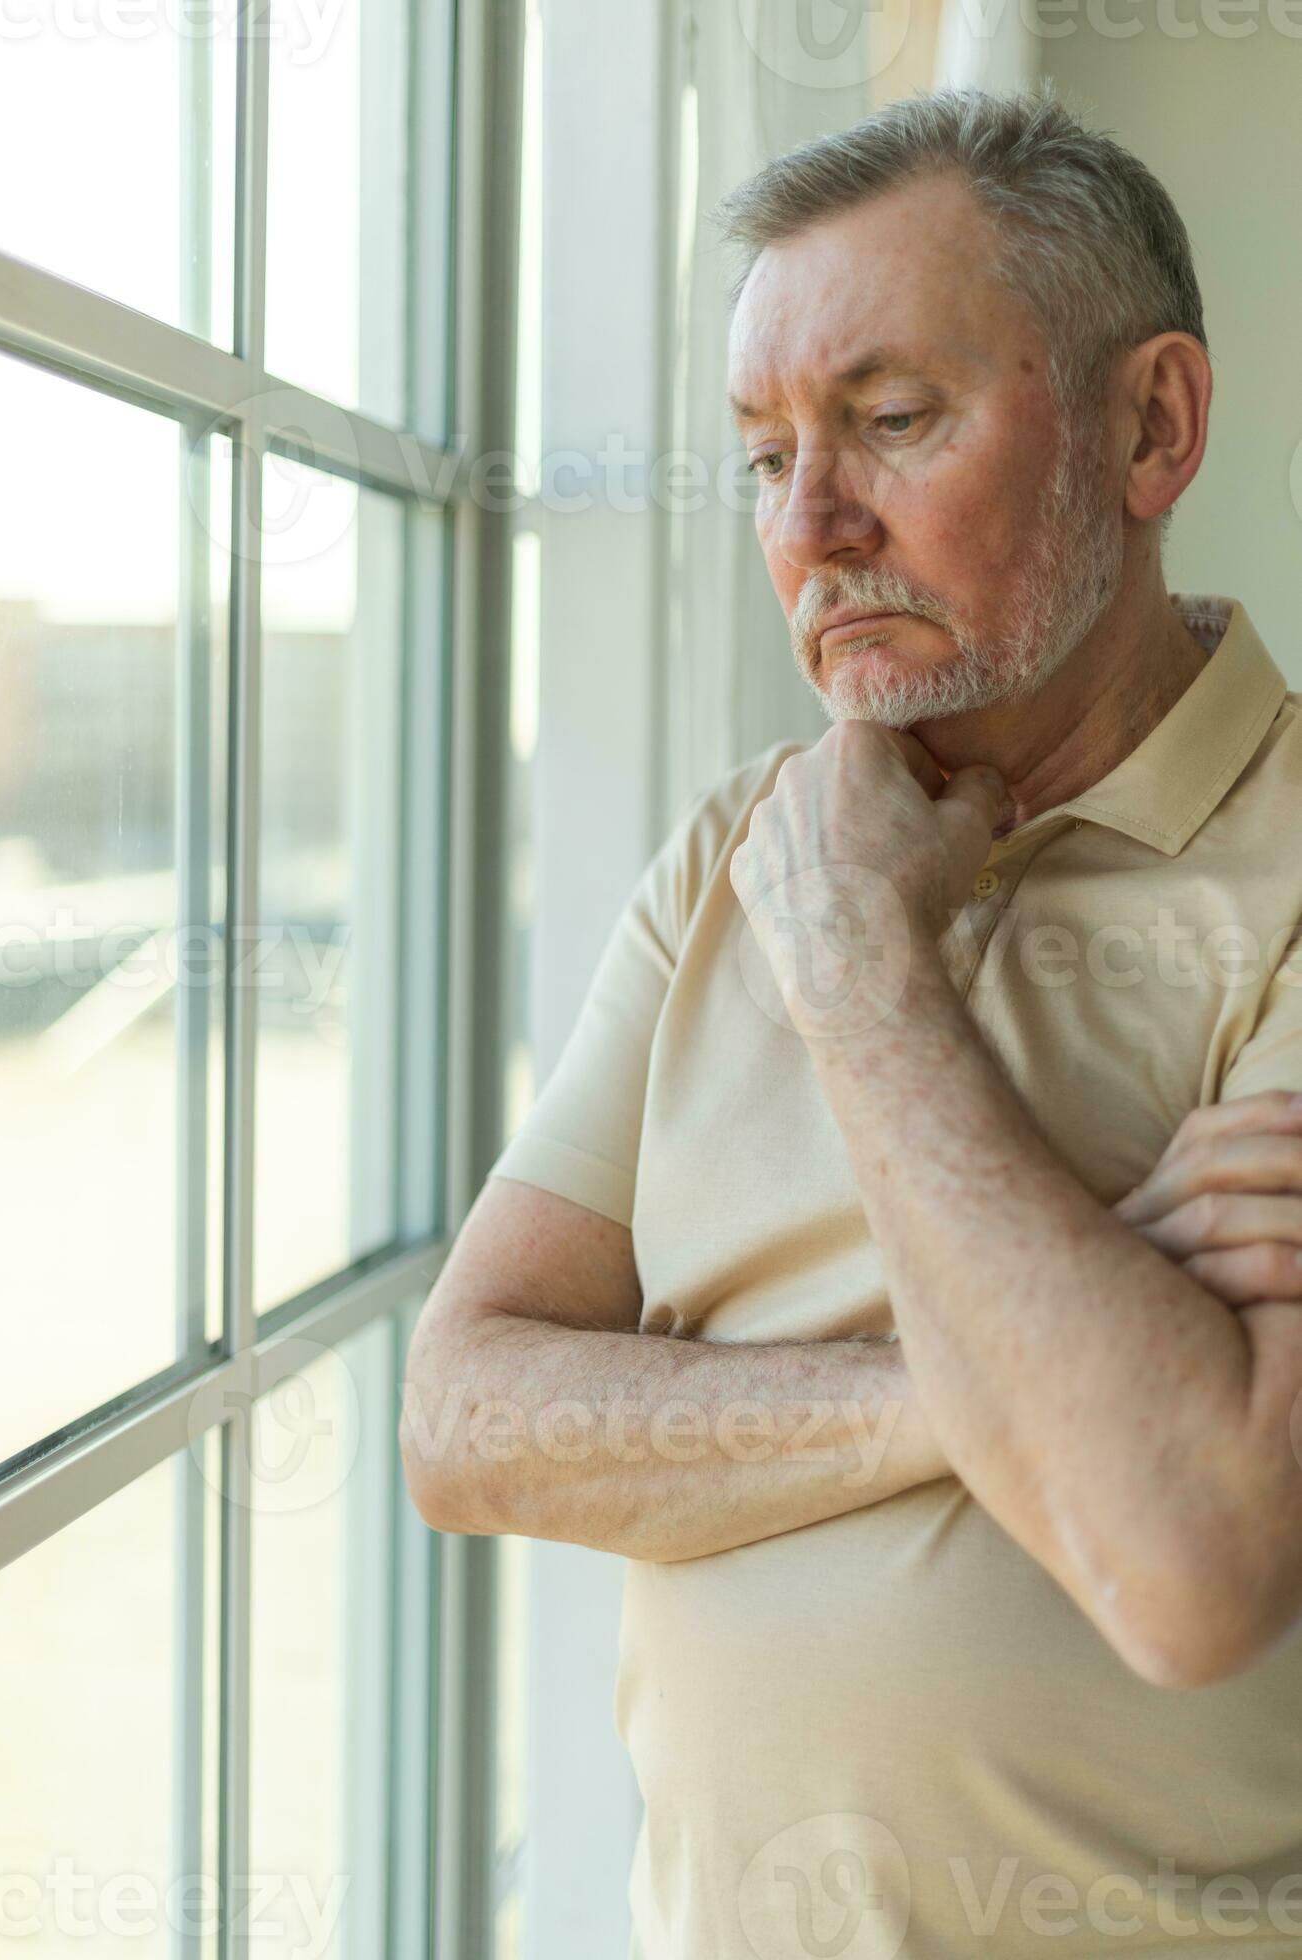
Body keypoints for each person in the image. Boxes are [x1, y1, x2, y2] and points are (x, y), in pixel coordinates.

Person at [400, 83, 1302, 1958]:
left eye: (893, 421)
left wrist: (865, 979)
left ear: (1153, 427)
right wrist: (1007, 1384)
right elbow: (465, 1418)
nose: (810, 527)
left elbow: (1186, 1561)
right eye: (762, 455)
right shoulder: (737, 848)